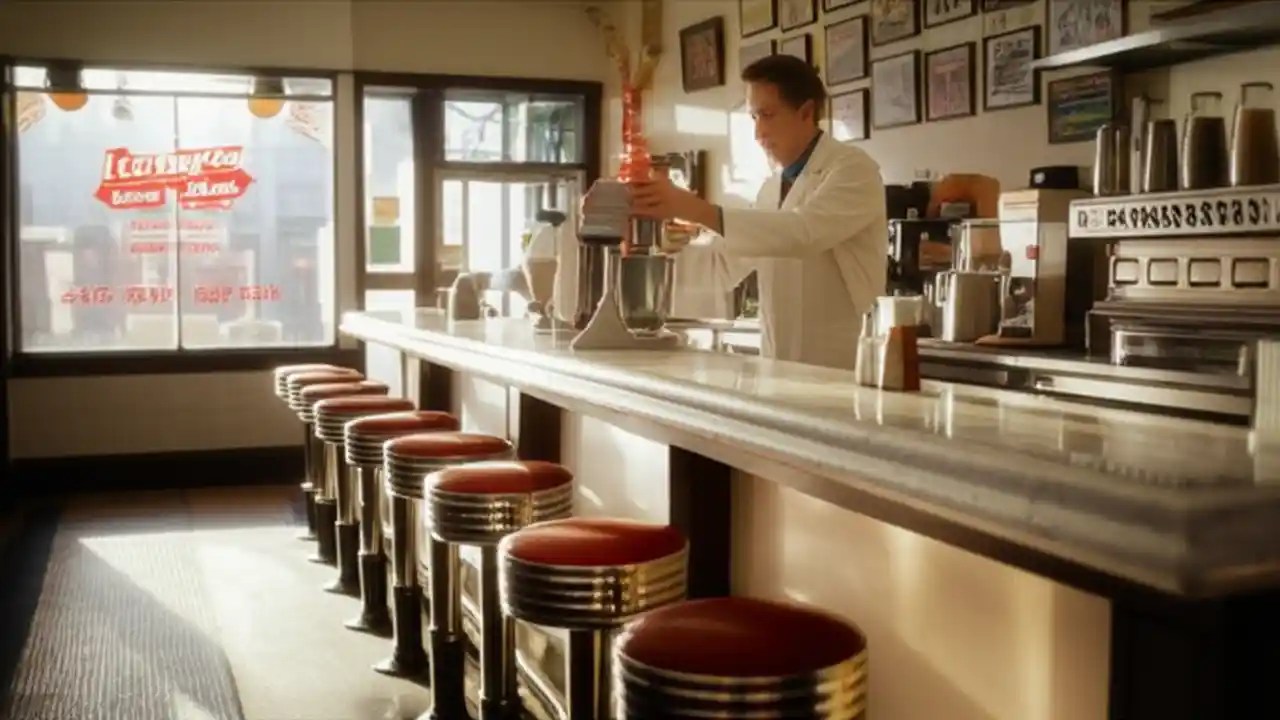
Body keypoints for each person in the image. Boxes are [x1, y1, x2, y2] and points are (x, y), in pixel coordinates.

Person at [628, 55, 887, 368]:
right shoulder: (771, 188)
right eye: (753, 117)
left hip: (843, 365)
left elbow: (802, 234)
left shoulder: (853, 169)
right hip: (779, 365)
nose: (758, 133)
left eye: (767, 115)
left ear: (806, 112)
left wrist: (694, 208)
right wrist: (632, 259)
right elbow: (721, 264)